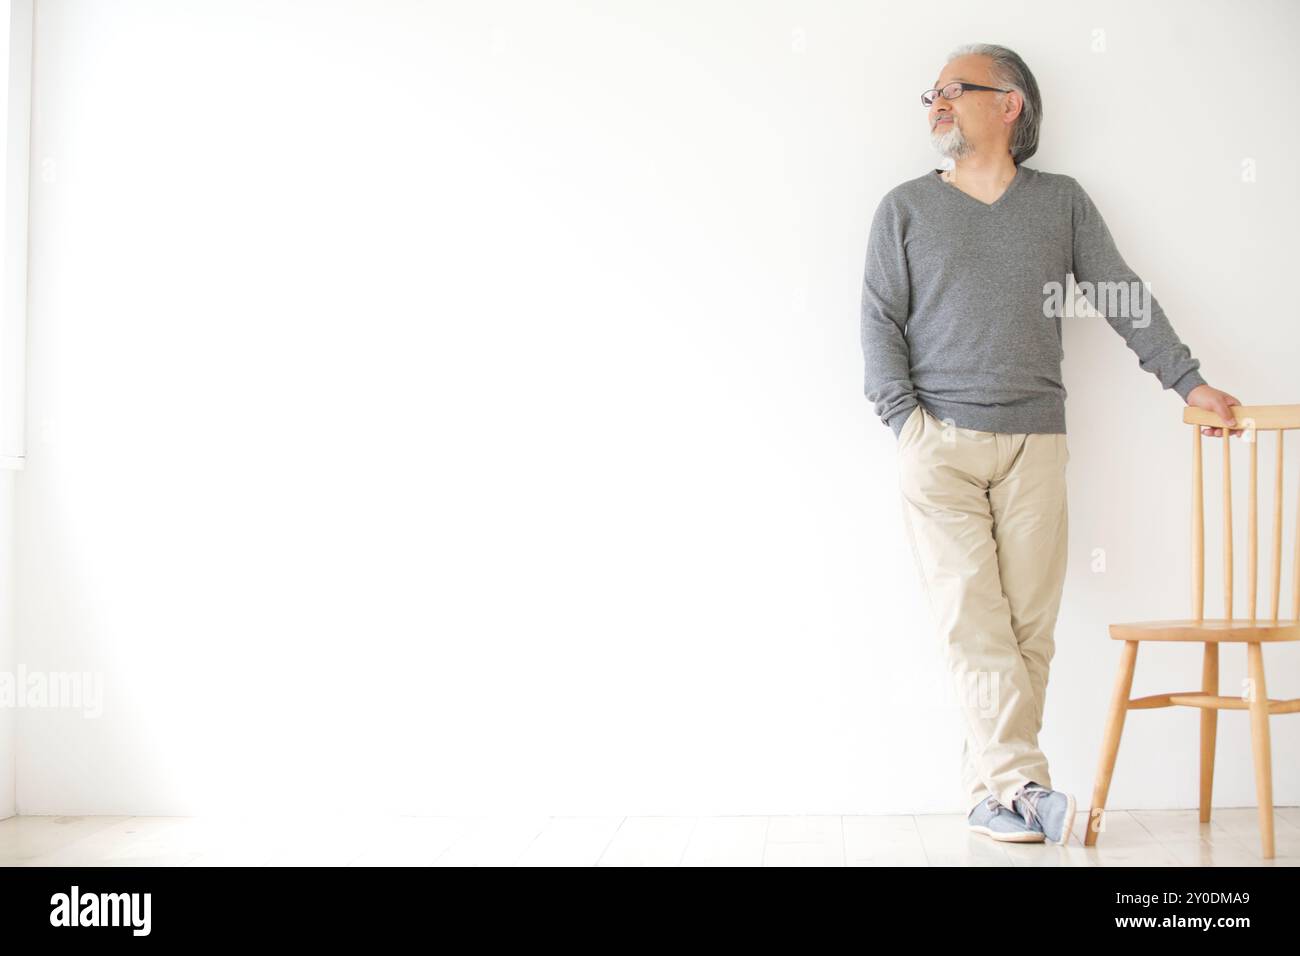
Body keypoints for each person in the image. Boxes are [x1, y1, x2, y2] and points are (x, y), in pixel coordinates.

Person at [860, 43, 1244, 845]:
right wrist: (907, 423)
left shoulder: (1060, 202)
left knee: (1027, 632)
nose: (935, 103)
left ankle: (997, 796)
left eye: (953, 90)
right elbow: (878, 322)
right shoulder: (904, 208)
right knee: (974, 624)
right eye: (929, 93)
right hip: (941, 446)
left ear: (1011, 105)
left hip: (1037, 442)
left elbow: (1119, 293)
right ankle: (1028, 786)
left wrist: (1188, 381)